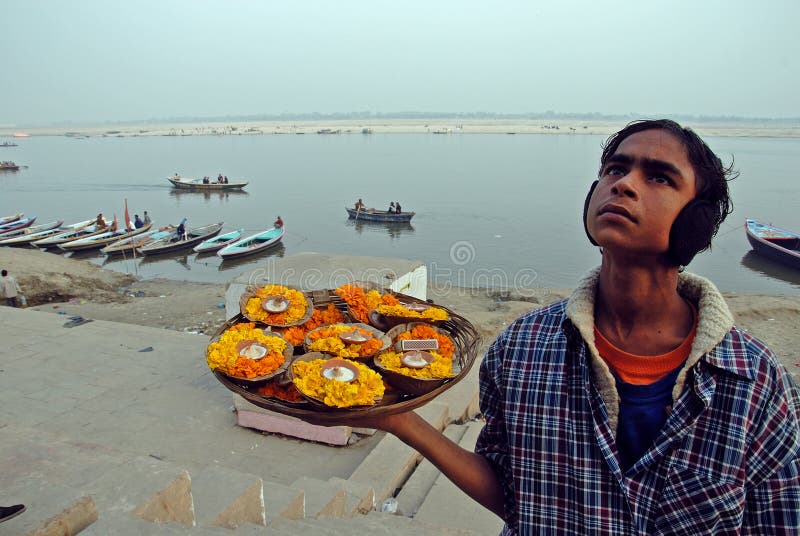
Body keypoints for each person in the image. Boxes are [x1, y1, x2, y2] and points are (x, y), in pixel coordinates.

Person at [324, 120, 800, 533]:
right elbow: (513, 499)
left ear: (695, 223)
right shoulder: (521, 349)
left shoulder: (754, 381)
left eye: (658, 177)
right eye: (615, 169)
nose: (624, 184)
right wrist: (399, 421)